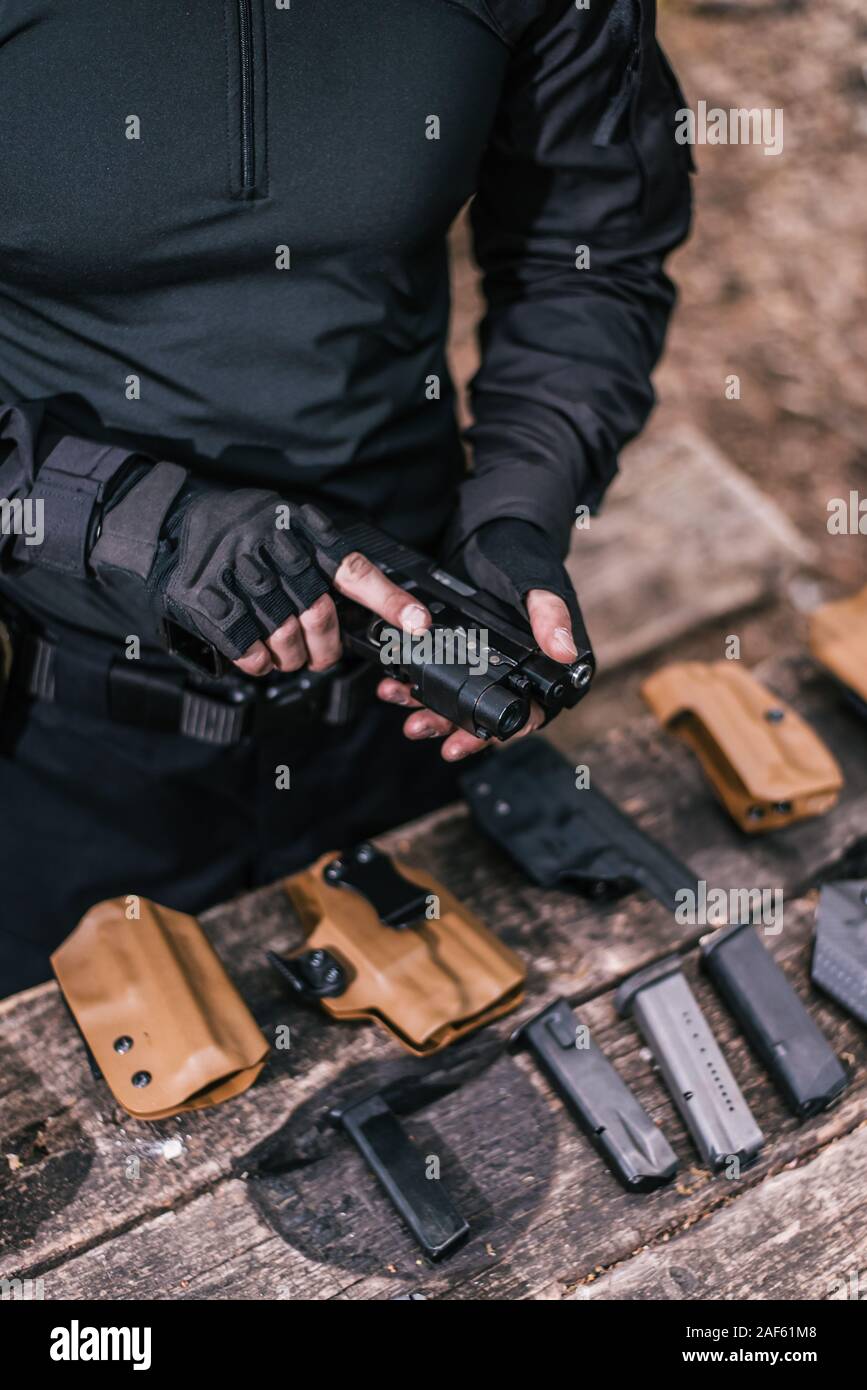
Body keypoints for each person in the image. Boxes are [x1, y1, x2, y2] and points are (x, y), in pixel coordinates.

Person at [0, 0, 692, 995]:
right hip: (53, 737)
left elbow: (590, 258)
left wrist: (519, 507)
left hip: (398, 706)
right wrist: (147, 528)